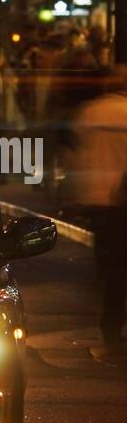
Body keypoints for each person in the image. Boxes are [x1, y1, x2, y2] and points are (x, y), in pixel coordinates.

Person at [64, 66, 127, 350]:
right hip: (122, 197)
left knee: (110, 263)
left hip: (98, 196)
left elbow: (76, 149)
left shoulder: (91, 112)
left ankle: (111, 323)